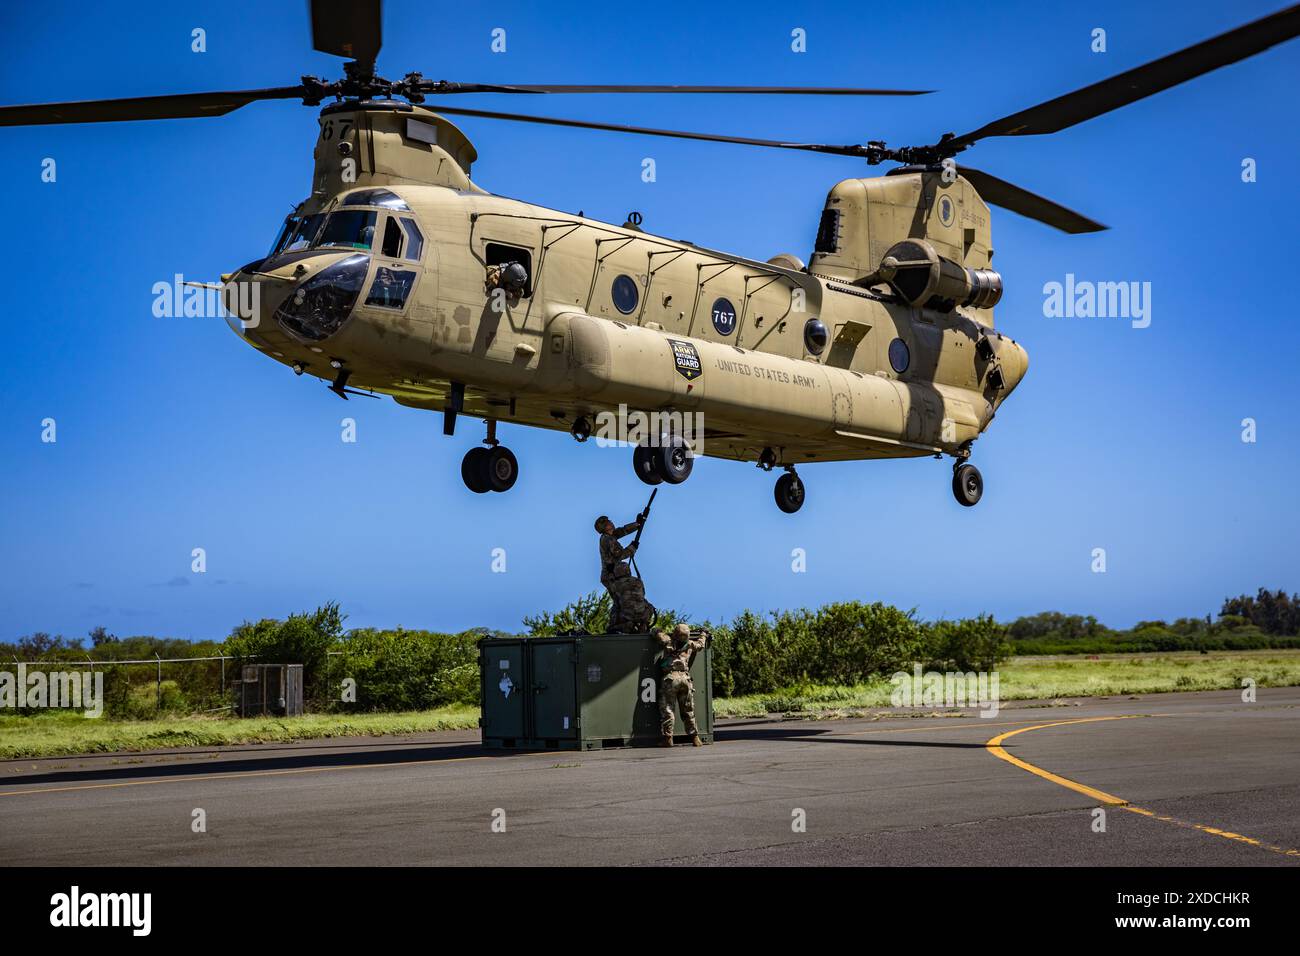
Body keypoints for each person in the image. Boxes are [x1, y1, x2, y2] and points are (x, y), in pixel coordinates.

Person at [595, 514, 654, 633]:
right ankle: (624, 624)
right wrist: (632, 548)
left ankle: (618, 626)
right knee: (625, 598)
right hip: (613, 577)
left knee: (619, 603)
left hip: (610, 577)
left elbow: (622, 531)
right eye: (607, 522)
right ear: (604, 528)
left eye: (609, 520)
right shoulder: (607, 538)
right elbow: (620, 554)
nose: (610, 522)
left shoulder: (610, 536)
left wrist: (637, 524)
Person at [656, 623, 707, 747]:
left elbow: (656, 633)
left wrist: (658, 630)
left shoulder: (667, 641)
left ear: (675, 633)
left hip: (671, 679)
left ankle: (668, 739)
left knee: (668, 709)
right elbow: (700, 645)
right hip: (685, 679)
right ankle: (695, 738)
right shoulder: (690, 644)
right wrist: (703, 634)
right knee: (688, 709)